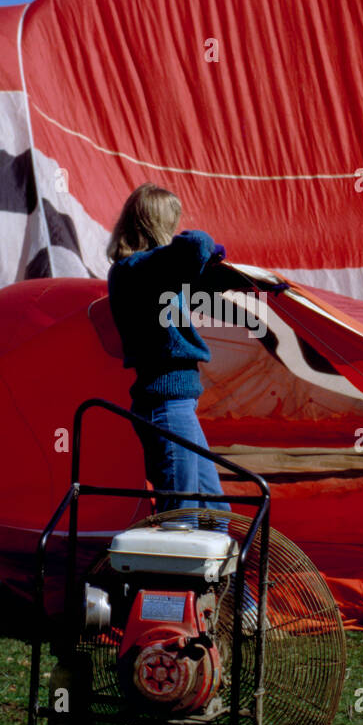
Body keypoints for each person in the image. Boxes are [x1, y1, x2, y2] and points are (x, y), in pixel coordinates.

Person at [106, 183, 231, 520]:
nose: (177, 227)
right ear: (158, 224)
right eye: (172, 221)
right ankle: (174, 573)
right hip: (166, 404)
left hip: (175, 404)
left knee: (215, 510)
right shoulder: (138, 269)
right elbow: (195, 244)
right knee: (181, 514)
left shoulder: (146, 272)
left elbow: (192, 265)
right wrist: (212, 250)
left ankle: (217, 573)